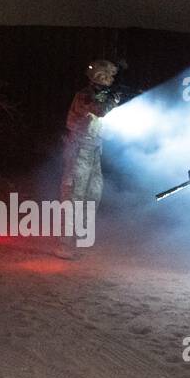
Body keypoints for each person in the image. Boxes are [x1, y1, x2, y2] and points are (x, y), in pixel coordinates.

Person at [55, 58, 135, 258]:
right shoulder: (85, 95)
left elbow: (104, 123)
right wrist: (114, 99)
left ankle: (78, 240)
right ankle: (64, 245)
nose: (109, 79)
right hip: (79, 149)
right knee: (74, 196)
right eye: (106, 76)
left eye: (111, 77)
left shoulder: (101, 95)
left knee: (92, 195)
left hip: (93, 150)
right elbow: (100, 110)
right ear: (98, 76)